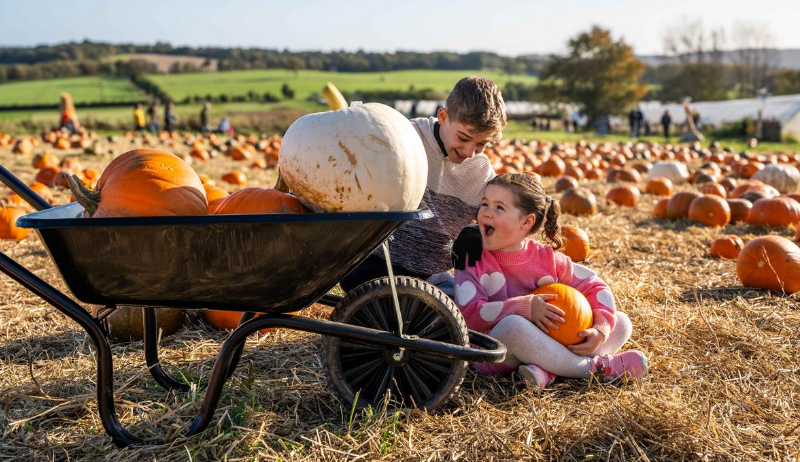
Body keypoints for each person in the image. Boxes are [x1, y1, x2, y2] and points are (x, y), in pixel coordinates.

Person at [453, 173, 647, 388]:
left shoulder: (546, 259)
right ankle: (593, 369)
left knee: (621, 322)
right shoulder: (472, 257)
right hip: (497, 351)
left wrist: (600, 330)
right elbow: (468, 316)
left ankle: (550, 370)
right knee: (512, 325)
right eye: (485, 204)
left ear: (527, 222)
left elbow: (595, 285)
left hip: (552, 344)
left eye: (499, 207)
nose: (487, 212)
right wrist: (523, 308)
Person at [339, 76, 505, 296]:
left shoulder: (480, 170)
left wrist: (476, 231)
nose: (469, 152)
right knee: (391, 305)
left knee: (466, 306)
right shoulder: (404, 138)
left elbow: (498, 213)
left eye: (481, 144)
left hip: (431, 276)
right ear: (443, 117)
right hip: (376, 263)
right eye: (463, 138)